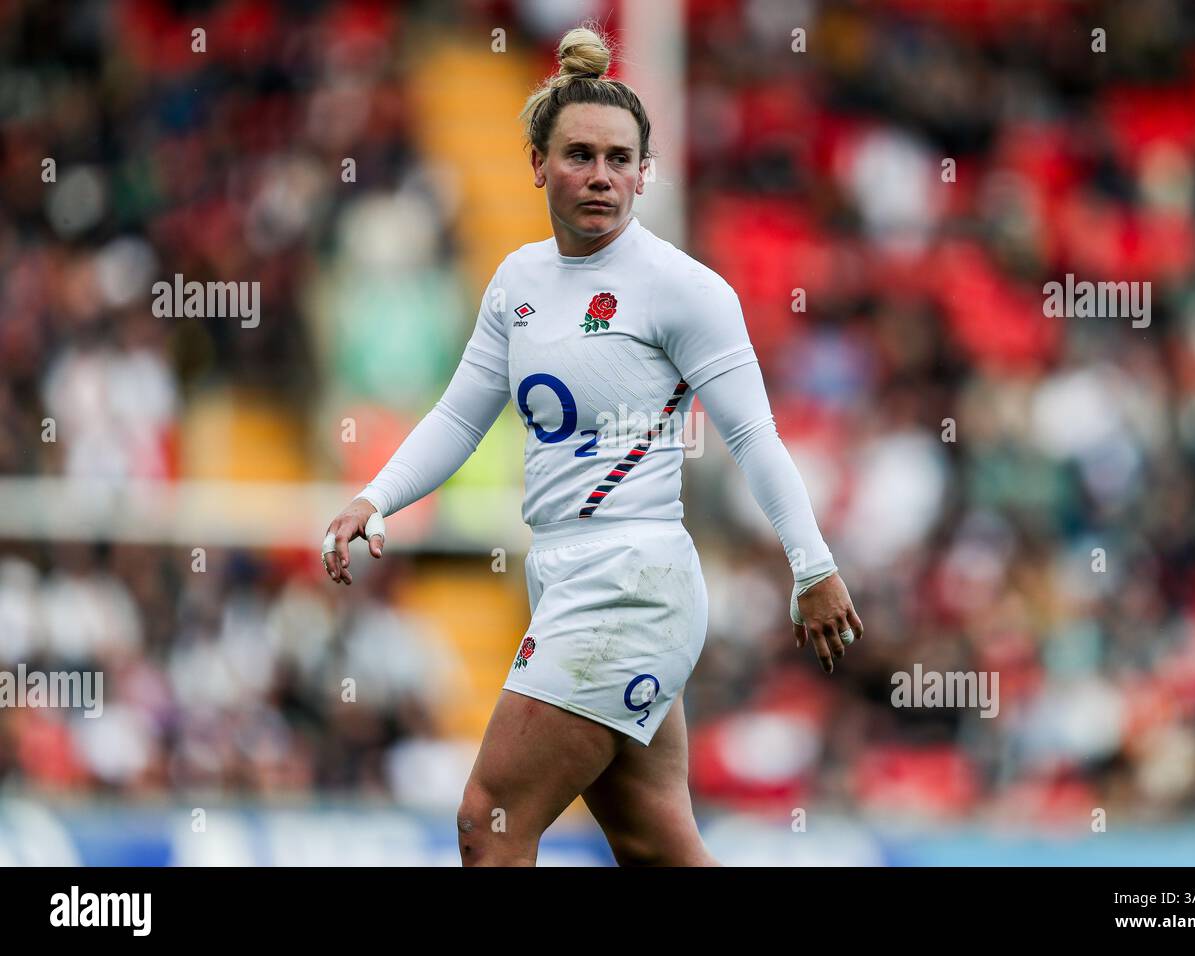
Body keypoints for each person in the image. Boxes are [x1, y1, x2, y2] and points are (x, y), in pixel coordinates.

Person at [320, 24, 861, 866]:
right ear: (538, 163)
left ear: (646, 172)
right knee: (656, 845)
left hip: (633, 583)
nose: (601, 175)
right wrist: (376, 496)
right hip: (564, 573)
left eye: (620, 158)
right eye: (579, 154)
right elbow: (462, 417)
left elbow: (755, 434)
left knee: (488, 817)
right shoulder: (518, 283)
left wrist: (812, 563)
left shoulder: (684, 291)